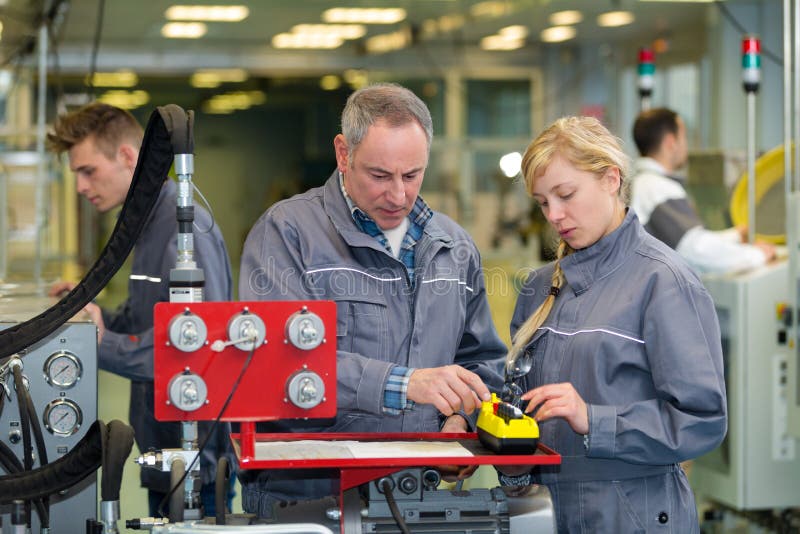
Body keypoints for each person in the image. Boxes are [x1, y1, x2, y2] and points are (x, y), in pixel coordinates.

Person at [238, 82, 506, 518]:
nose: (398, 195)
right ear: (343, 154)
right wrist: (403, 383)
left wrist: (462, 425)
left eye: (412, 175)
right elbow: (278, 363)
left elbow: (482, 363)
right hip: (311, 499)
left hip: (421, 495)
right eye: (379, 175)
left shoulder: (454, 248)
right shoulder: (287, 234)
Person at [497, 116, 727, 533]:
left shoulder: (664, 282)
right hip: (545, 514)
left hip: (633, 515)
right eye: (543, 202)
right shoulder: (538, 290)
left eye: (566, 195)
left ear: (610, 179)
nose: (555, 214)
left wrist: (595, 420)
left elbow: (701, 419)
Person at [47, 102, 235, 517]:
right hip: (163, 444)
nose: (79, 186)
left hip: (195, 459)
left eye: (87, 170)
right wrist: (89, 315)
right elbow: (144, 322)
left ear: (128, 157)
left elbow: (196, 350)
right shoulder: (147, 226)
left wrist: (101, 341)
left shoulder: (185, 231)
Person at [630, 107, 775, 274]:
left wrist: (734, 236)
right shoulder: (657, 188)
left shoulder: (643, 184)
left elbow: (679, 241)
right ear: (671, 142)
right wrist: (757, 255)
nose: (686, 146)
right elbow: (696, 250)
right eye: (684, 138)